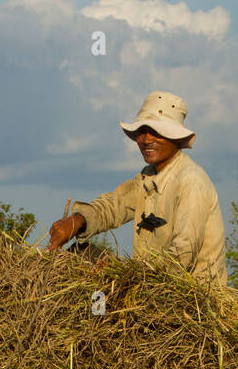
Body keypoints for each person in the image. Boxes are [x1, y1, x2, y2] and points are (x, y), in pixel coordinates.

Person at [47, 91, 227, 284]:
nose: (146, 139)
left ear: (174, 137)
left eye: (156, 132)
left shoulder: (191, 180)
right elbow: (113, 206)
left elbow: (183, 255)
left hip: (191, 295)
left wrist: (126, 277)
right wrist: (77, 220)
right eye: (142, 132)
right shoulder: (147, 176)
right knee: (79, 254)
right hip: (147, 284)